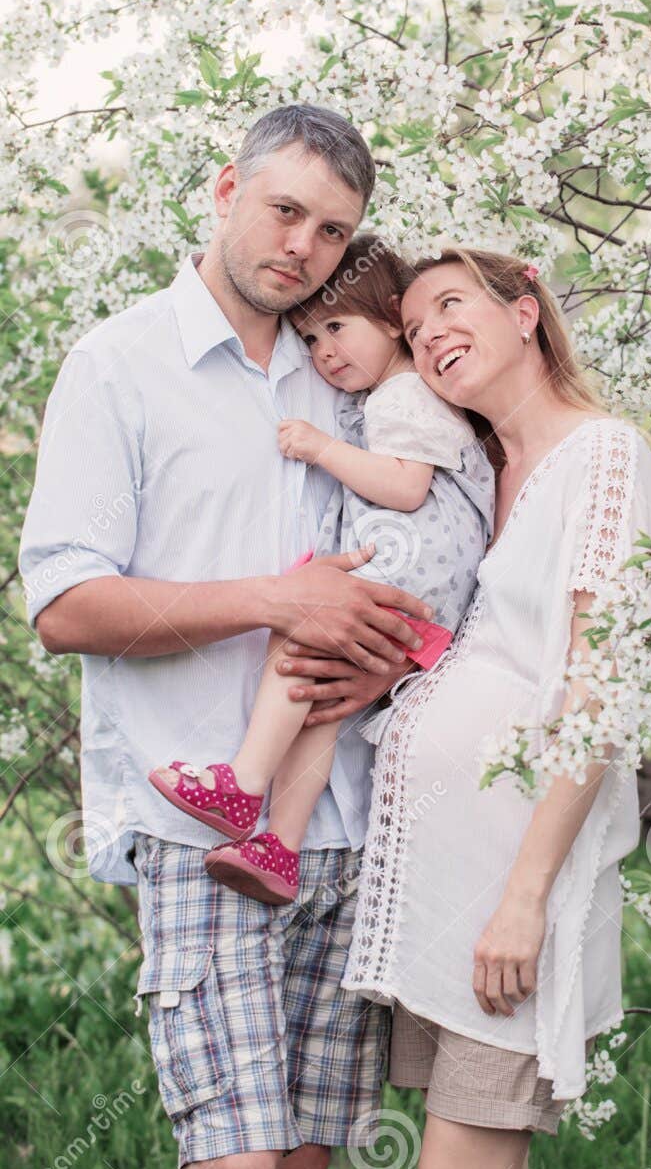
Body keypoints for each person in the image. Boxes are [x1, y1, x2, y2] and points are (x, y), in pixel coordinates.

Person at [18, 104, 420, 1169]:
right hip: (199, 826)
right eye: (286, 211)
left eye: (333, 231)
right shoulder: (119, 366)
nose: (303, 246)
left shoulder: (344, 377)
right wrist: (273, 602)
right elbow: (65, 606)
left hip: (344, 825)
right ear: (225, 190)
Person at [316, 246, 651, 1169]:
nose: (429, 329)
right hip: (440, 892)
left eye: (450, 303)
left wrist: (524, 901)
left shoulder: (602, 458)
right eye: (416, 319)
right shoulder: (478, 472)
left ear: (524, 313)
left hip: (503, 904)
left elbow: (606, 692)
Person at [147, 233, 494, 905]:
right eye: (309, 340)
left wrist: (319, 448)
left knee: (299, 628)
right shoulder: (392, 394)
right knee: (318, 702)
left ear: (393, 320)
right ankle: (281, 845)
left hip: (408, 571)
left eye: (337, 328)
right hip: (423, 592)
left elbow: (404, 487)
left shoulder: (401, 396)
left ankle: (242, 788)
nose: (324, 352)